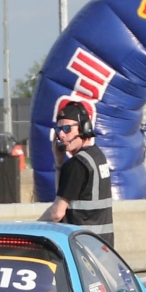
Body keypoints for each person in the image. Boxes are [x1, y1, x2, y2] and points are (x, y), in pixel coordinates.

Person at [42, 101, 113, 243]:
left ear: (83, 128)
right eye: (58, 130)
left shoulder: (77, 165)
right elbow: (64, 193)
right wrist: (59, 163)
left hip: (82, 246)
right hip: (102, 245)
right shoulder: (97, 156)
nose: (61, 135)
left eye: (67, 128)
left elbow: (57, 213)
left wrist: (35, 226)